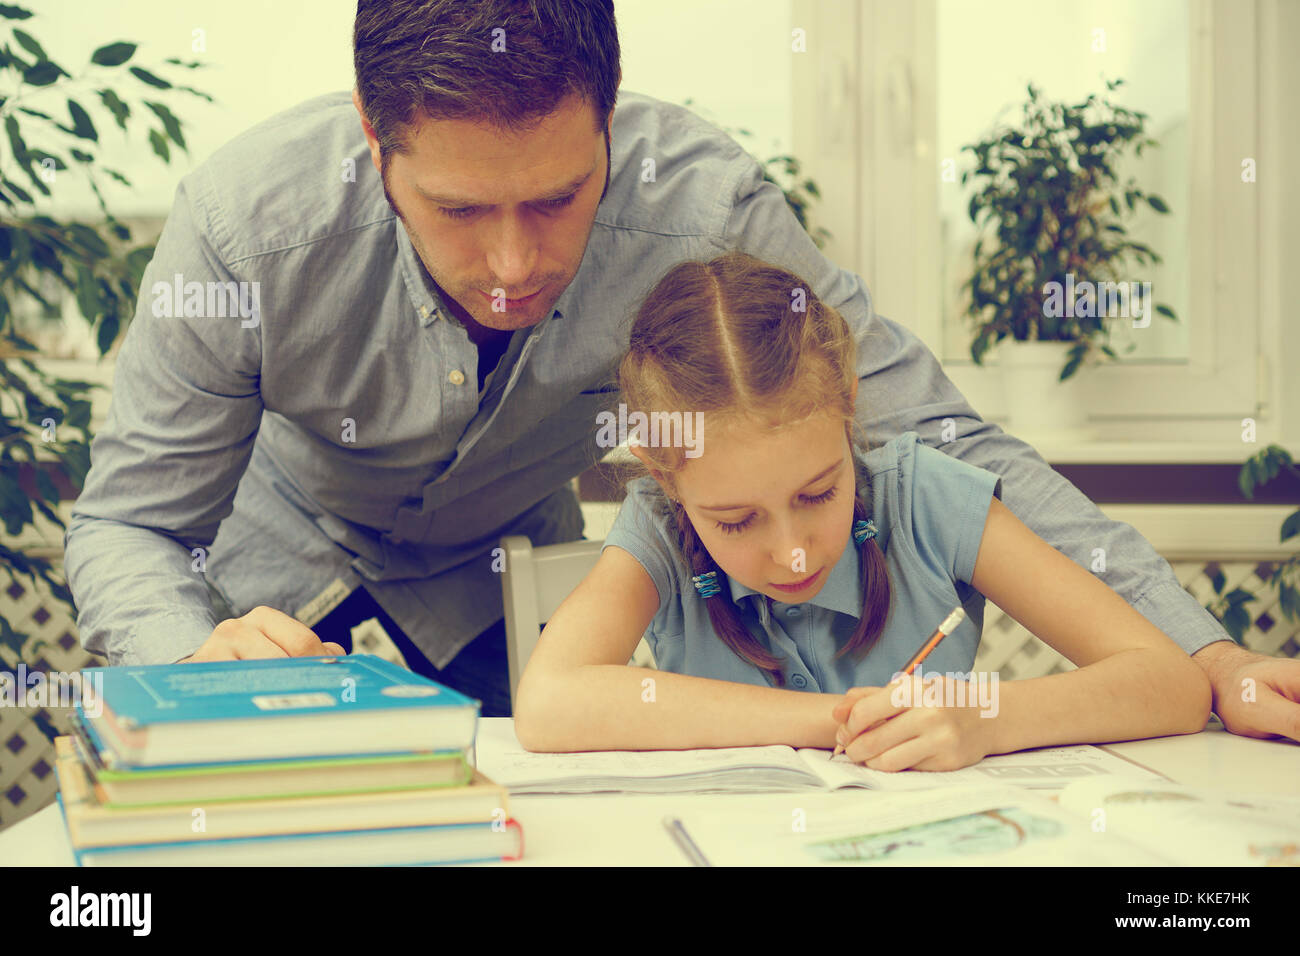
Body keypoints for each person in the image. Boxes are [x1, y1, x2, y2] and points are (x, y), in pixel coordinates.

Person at [62, 0, 1298, 738]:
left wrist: (1204, 658)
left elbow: (941, 439)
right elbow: (129, 519)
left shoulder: (705, 202)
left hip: (505, 596)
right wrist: (186, 662)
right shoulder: (243, 224)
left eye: (558, 199)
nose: (510, 264)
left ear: (611, 118)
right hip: (277, 613)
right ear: (372, 138)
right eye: (457, 210)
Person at [513, 253, 1213, 767]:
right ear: (666, 476)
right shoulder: (658, 534)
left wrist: (987, 717)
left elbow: (1172, 684)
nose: (792, 550)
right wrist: (833, 720)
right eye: (736, 521)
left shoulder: (926, 499)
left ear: (848, 403)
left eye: (818, 495)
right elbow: (547, 704)